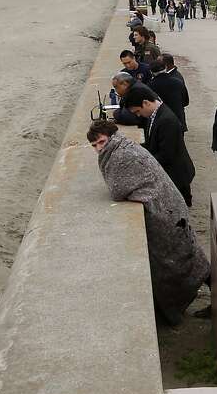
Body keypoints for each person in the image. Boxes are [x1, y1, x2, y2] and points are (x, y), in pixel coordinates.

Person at [87, 119, 209, 325]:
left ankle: (177, 311)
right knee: (190, 255)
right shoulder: (124, 147)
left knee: (174, 262)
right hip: (170, 208)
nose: (100, 148)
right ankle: (214, 298)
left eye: (101, 142)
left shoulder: (122, 155)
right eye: (95, 146)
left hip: (165, 213)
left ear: (111, 137)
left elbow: (117, 190)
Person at [129, 94, 195, 207]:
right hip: (172, 173)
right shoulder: (156, 115)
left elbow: (166, 155)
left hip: (176, 176)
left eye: (138, 111)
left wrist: (141, 162)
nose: (138, 115)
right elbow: (153, 144)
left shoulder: (166, 120)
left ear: (146, 103)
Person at [150, 54, 190, 132]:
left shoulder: (151, 85)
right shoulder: (177, 81)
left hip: (162, 123)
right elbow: (185, 101)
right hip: (178, 121)